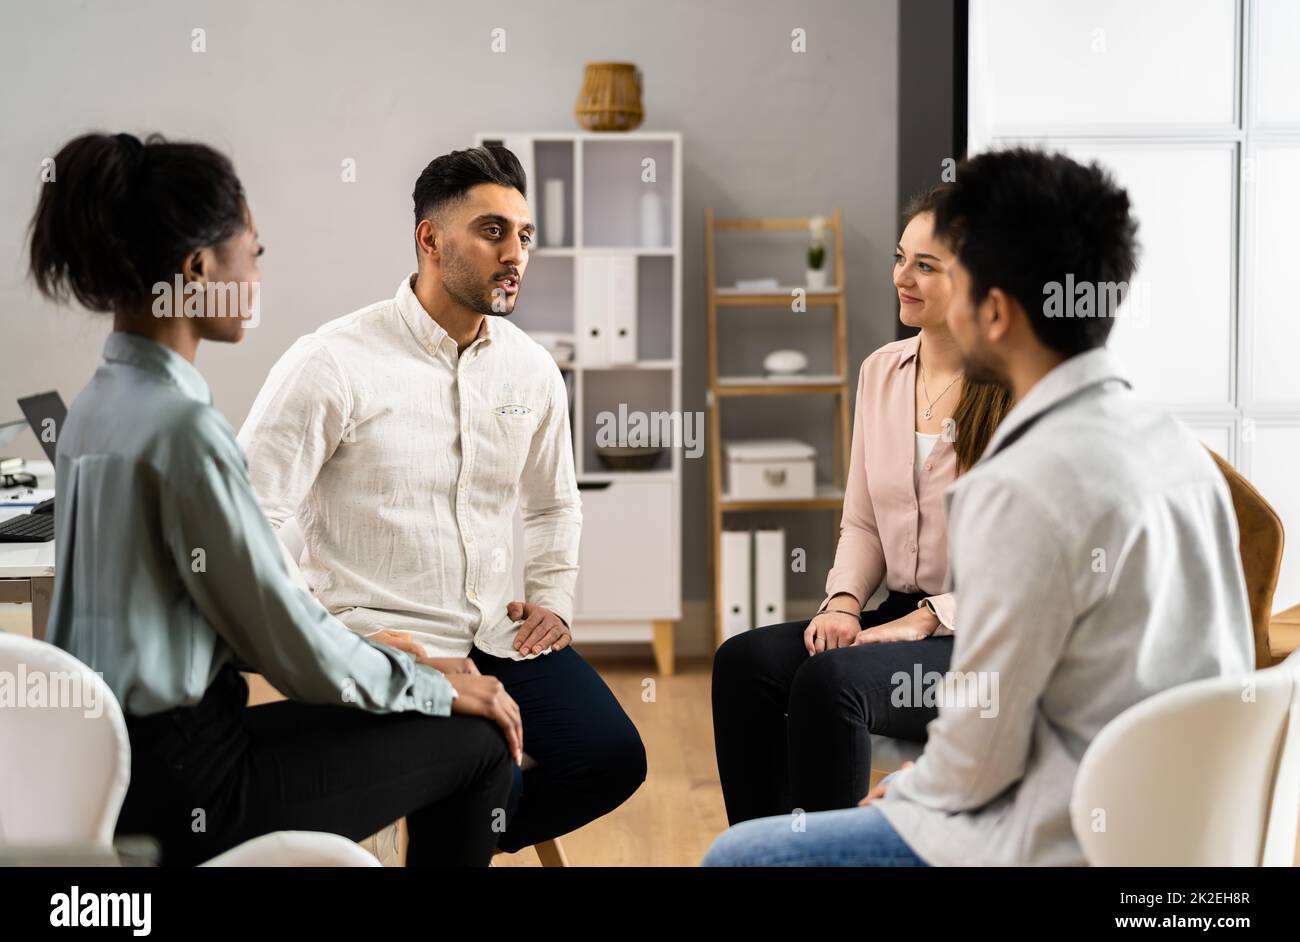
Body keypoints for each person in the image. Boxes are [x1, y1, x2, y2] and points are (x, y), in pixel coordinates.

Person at [704, 147, 1254, 866]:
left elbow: (977, 754)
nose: (918, 284)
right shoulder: (1179, 451)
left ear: (991, 310)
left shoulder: (1023, 485)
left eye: (948, 275)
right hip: (1188, 843)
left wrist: (906, 792)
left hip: (1051, 840)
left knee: (734, 860)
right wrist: (846, 604)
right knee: (758, 672)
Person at [32, 132, 521, 867]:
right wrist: (421, 681)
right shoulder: (183, 427)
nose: (259, 275)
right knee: (481, 739)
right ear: (199, 268)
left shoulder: (100, 405)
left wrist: (372, 654)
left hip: (109, 762)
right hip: (192, 786)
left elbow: (223, 613)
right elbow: (280, 641)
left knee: (431, 705)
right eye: (253, 253)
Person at [236, 145, 646, 853]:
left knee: (612, 757)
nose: (514, 252)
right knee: (476, 761)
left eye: (524, 235)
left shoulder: (533, 369)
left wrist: (553, 596)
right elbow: (250, 516)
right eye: (493, 231)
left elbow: (553, 504)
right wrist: (322, 634)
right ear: (430, 239)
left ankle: (463, 825)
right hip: (386, 641)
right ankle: (457, 811)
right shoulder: (331, 361)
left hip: (497, 634)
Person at [711, 187, 1012, 824]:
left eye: (926, 266)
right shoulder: (882, 372)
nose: (901, 276)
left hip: (980, 638)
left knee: (831, 683)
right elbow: (863, 521)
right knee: (745, 663)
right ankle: (764, 858)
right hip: (897, 615)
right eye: (903, 258)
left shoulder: (1016, 391)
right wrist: (845, 602)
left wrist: (926, 621)